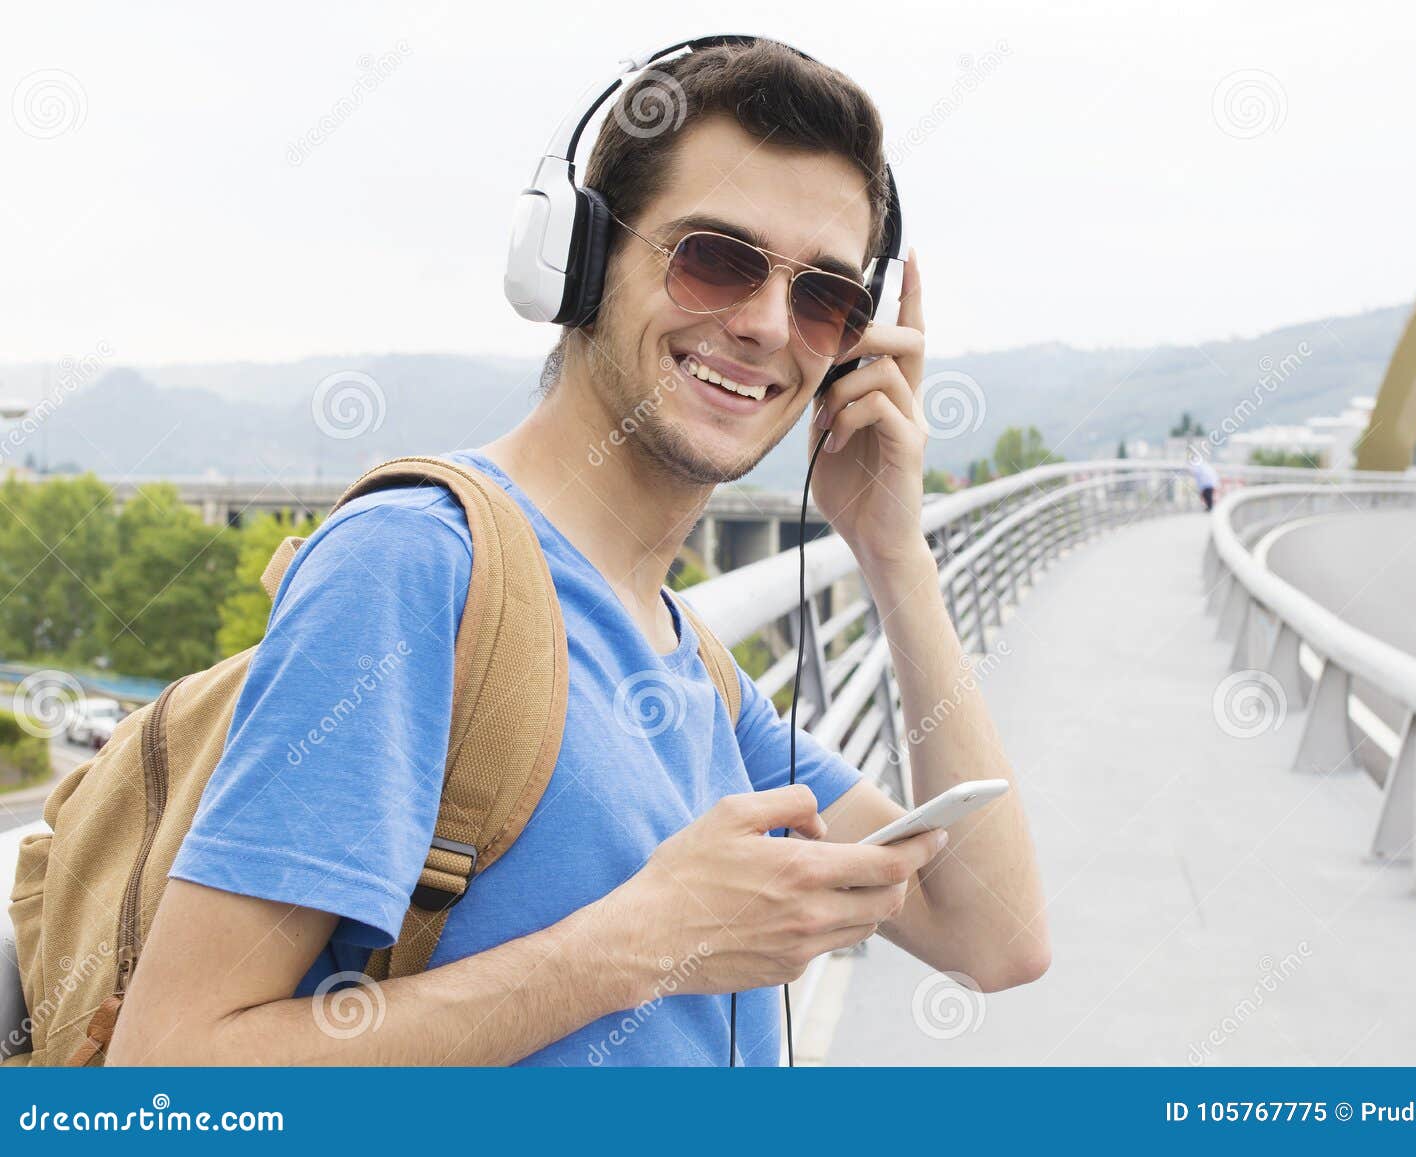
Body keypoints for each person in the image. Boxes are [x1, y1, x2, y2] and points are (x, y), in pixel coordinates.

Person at [107, 38, 1049, 1067]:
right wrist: (641, 943)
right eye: (716, 258)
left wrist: (892, 552)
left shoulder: (697, 668)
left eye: (825, 296)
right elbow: (172, 1064)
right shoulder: (417, 565)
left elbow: (992, 937)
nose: (767, 324)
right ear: (580, 259)